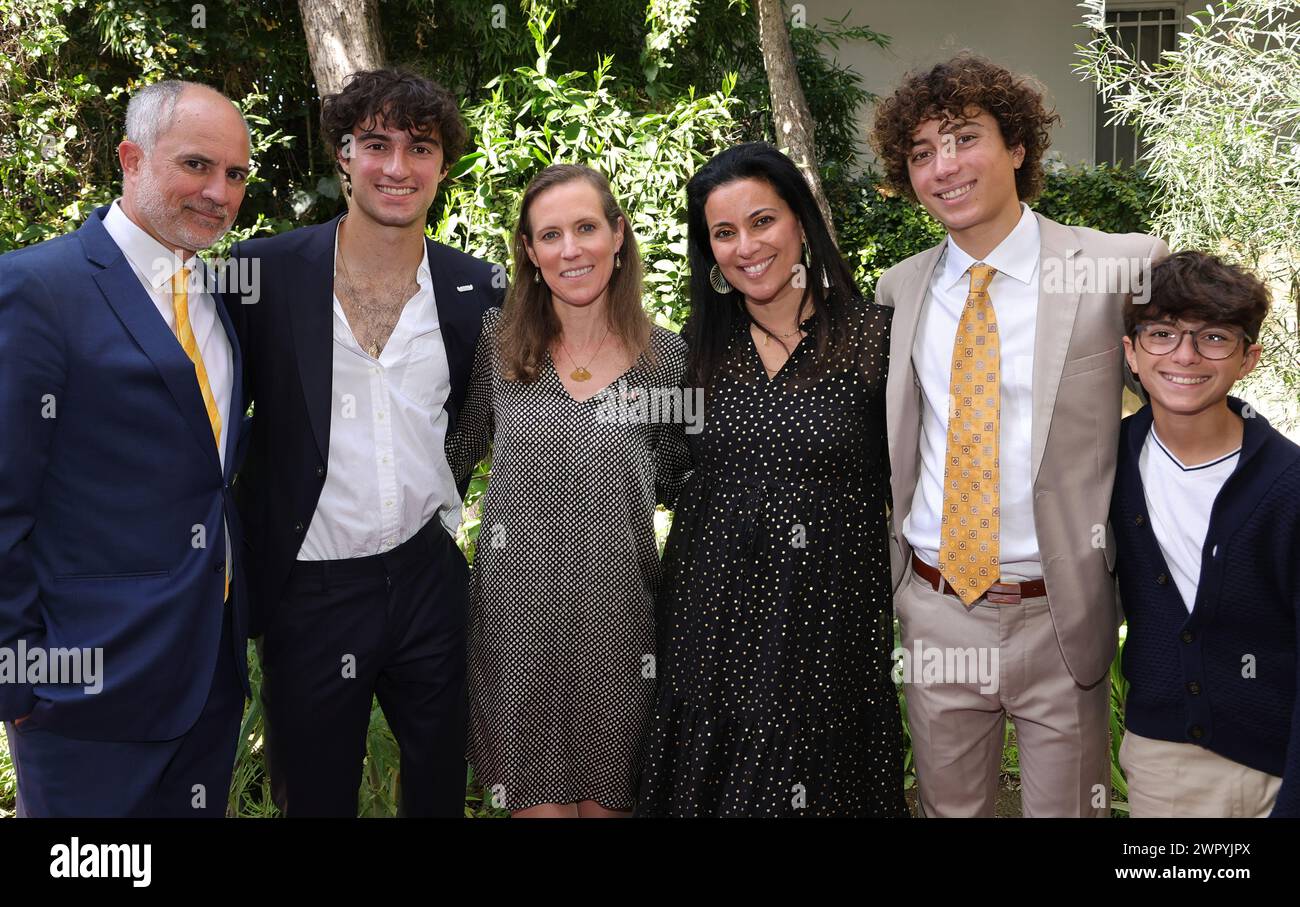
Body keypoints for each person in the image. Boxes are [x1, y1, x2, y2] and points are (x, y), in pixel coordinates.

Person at [870, 53, 1169, 817]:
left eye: (965, 138)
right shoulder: (899, 289)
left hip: (1060, 612)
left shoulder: (1116, 268)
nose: (945, 166)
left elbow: (1188, 394)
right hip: (938, 608)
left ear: (1017, 148)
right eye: (921, 153)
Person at [227, 68, 502, 817]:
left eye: (420, 147)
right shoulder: (261, 273)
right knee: (314, 800)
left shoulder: (475, 289)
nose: (396, 166)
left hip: (427, 578)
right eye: (374, 143)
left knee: (440, 792)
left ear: (444, 166)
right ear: (343, 155)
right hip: (311, 592)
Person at [0, 81, 252, 817]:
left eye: (235, 175)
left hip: (207, 680)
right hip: (83, 696)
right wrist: (20, 680)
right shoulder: (35, 288)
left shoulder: (215, 292)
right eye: (198, 166)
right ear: (130, 158)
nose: (219, 192)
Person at [636, 142, 905, 817]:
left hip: (826, 628)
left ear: (800, 222)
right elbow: (667, 470)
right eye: (723, 232)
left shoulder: (879, 338)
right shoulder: (693, 350)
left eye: (763, 221)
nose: (746, 246)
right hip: (710, 627)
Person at [446, 164, 691, 817]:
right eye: (549, 234)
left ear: (618, 234)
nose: (570, 249)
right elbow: (452, 463)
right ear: (529, 251)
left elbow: (683, 483)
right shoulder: (498, 344)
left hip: (621, 627)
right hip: (513, 627)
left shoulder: (668, 359)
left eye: (586, 227)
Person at [1112, 251, 1299, 818]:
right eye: (1162, 334)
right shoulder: (1105, 461)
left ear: (1248, 358)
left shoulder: (1287, 486)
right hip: (1167, 761)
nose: (1185, 355)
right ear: (1131, 353)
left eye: (1214, 337)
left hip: (1276, 759)